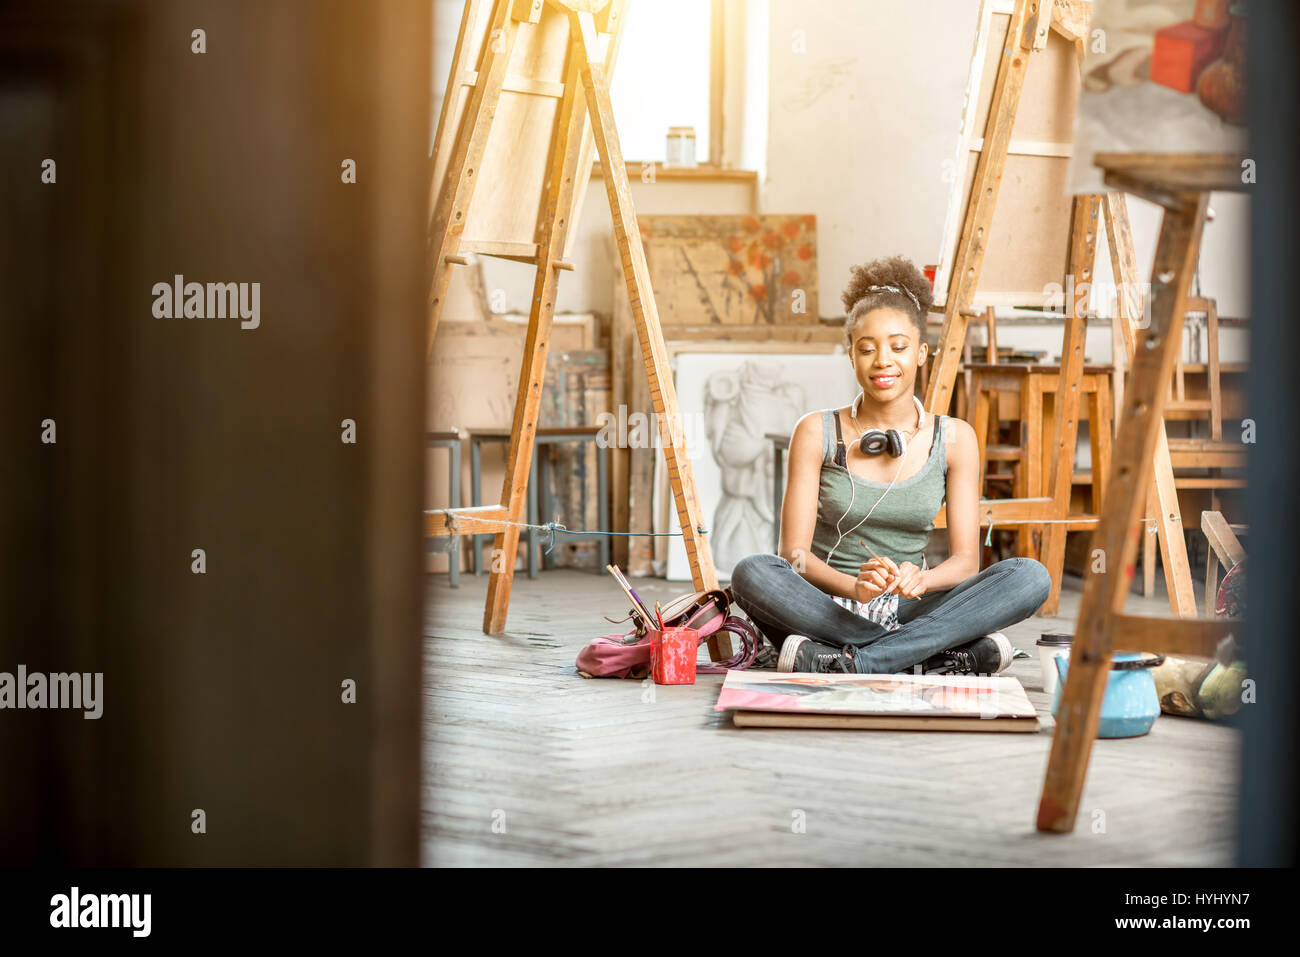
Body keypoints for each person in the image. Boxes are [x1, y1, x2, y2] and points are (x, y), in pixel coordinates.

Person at [728, 255, 1051, 675]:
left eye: (898, 347)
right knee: (752, 572)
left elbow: (966, 562)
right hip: (826, 609)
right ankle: (929, 656)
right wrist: (855, 588)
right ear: (851, 356)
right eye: (867, 349)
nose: (883, 360)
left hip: (913, 606)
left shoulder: (955, 438)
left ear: (920, 353)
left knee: (1030, 576)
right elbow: (794, 556)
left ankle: (855, 661)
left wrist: (922, 579)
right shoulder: (815, 431)